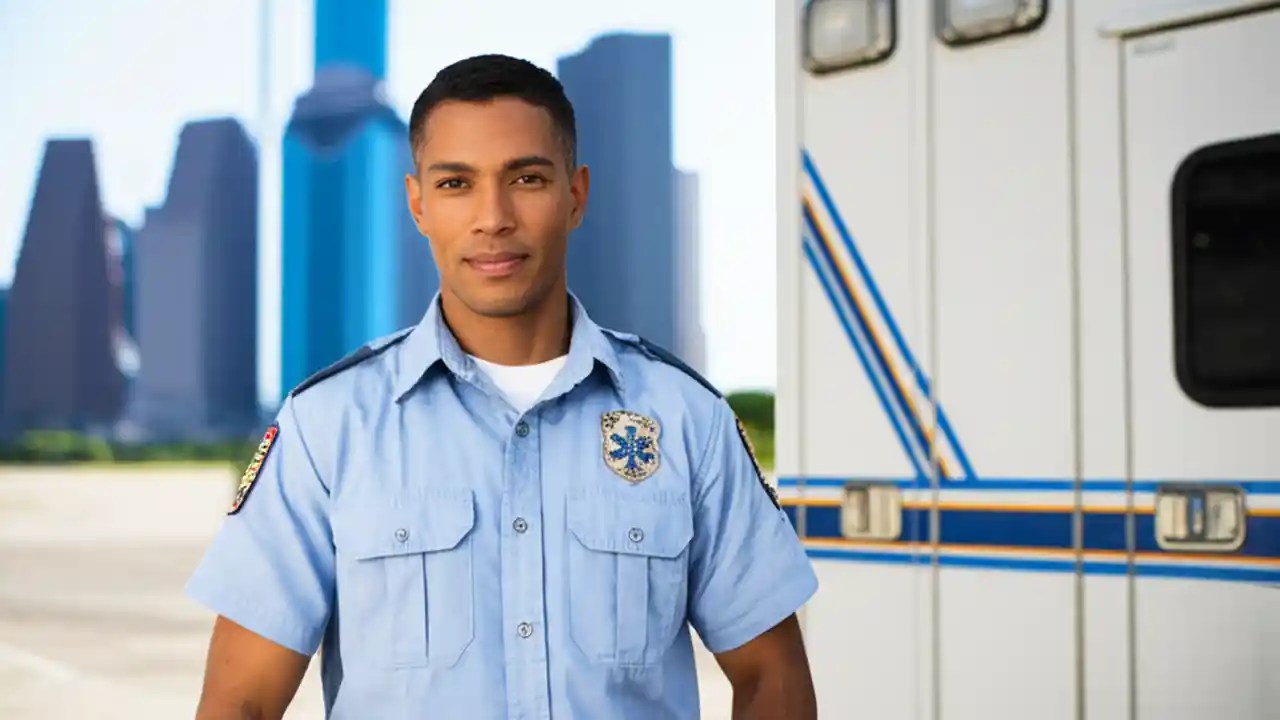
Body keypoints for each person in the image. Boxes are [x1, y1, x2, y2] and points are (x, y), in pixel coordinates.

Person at [186, 53, 819, 720]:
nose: (493, 217)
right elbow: (241, 701)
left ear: (575, 196)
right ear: (418, 204)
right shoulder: (328, 426)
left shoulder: (686, 417)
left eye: (526, 178)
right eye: (456, 183)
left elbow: (771, 677)